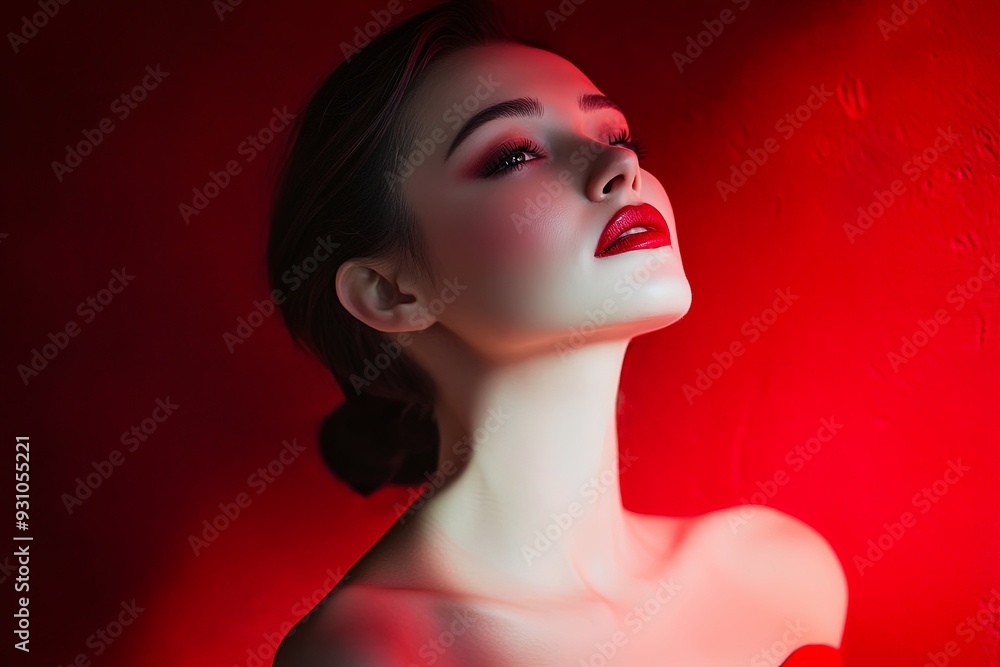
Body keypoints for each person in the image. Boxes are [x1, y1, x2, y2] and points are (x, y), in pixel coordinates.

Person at [267, 1, 848, 664]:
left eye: (617, 136)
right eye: (513, 155)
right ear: (389, 291)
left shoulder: (776, 570)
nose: (619, 169)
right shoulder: (374, 652)